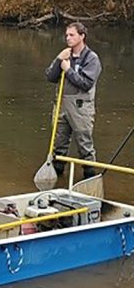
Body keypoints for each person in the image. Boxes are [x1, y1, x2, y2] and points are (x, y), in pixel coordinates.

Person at [45, 22, 102, 179]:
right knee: (59, 145)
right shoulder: (65, 55)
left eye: (72, 35)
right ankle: (57, 176)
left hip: (81, 108)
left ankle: (89, 178)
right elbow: (50, 76)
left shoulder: (91, 59)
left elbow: (86, 84)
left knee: (85, 146)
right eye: (67, 35)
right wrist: (58, 61)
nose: (68, 38)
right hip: (62, 107)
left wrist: (68, 70)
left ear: (82, 36)